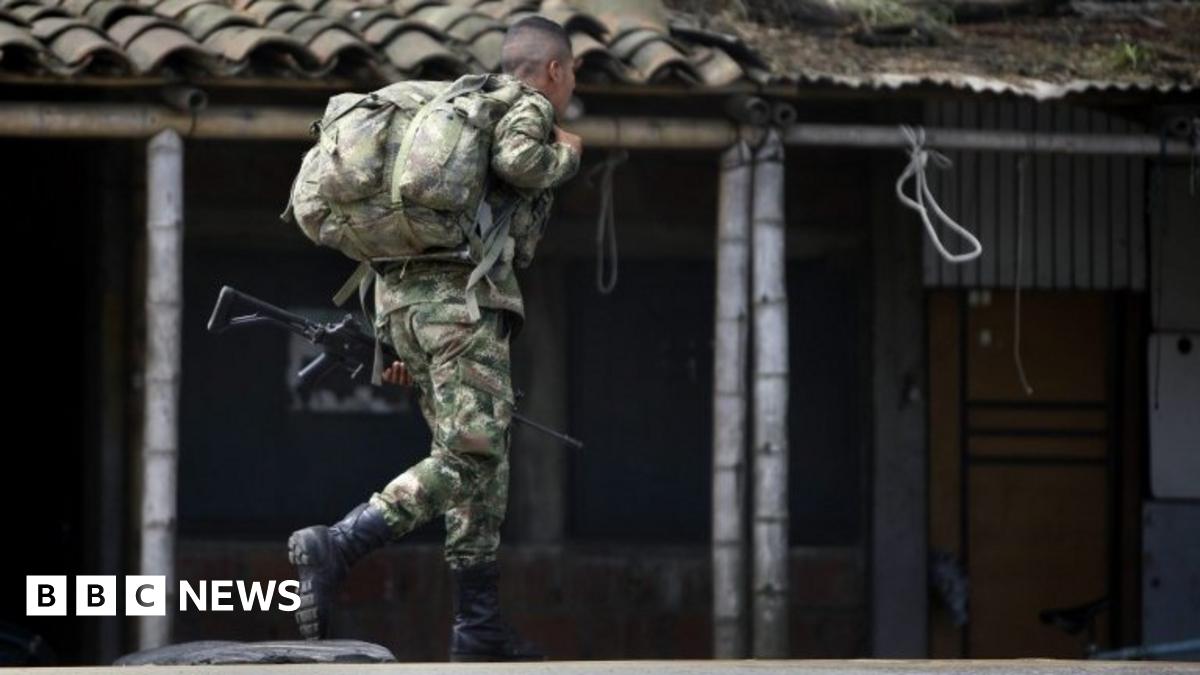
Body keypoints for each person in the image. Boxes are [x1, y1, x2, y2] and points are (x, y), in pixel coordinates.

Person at [286, 15, 583, 662]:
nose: (569, 86)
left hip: (402, 305)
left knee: (483, 460)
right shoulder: (525, 105)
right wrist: (569, 152)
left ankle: (477, 625)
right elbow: (522, 161)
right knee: (473, 453)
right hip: (458, 305)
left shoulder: (462, 104)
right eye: (572, 74)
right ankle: (338, 542)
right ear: (555, 70)